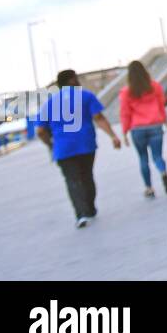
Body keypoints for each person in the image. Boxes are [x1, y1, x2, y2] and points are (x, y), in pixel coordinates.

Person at [31, 69, 121, 227]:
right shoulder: (86, 96)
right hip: (86, 145)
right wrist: (113, 136)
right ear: (72, 80)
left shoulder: (49, 103)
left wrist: (50, 144)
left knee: (72, 181)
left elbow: (39, 130)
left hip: (63, 149)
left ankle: (81, 214)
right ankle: (90, 208)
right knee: (87, 176)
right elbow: (99, 118)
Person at [118, 61, 167, 198]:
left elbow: (125, 113)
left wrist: (124, 132)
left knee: (143, 158)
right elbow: (161, 107)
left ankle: (149, 188)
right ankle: (163, 172)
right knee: (158, 156)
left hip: (137, 129)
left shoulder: (126, 91)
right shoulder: (154, 86)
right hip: (155, 126)